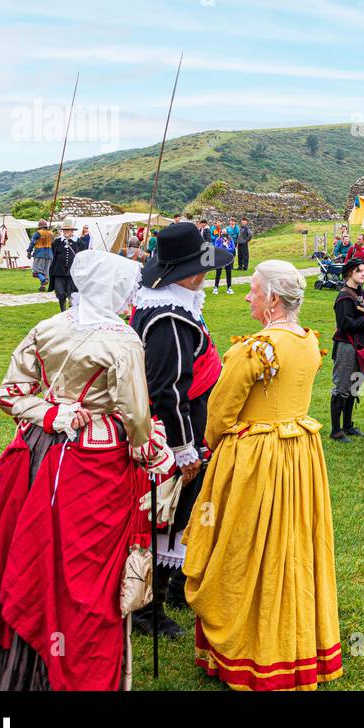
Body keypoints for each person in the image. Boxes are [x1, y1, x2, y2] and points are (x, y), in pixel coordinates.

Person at [0, 251, 169, 690]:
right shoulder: (122, 340)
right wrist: (149, 451)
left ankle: (16, 660)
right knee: (76, 567)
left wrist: (49, 413)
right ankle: (63, 660)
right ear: (115, 289)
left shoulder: (49, 326)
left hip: (35, 452)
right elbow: (136, 415)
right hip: (90, 463)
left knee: (29, 551)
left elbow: (9, 394)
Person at [183, 260, 342, 690]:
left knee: (244, 547)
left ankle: (249, 646)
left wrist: (214, 445)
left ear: (272, 299)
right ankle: (292, 644)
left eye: (253, 291)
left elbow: (219, 414)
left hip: (257, 459)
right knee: (291, 547)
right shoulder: (309, 342)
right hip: (300, 456)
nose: (249, 297)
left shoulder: (257, 349)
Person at [130, 222, 229, 638]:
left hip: (184, 424)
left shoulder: (172, 304)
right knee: (164, 515)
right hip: (171, 434)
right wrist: (184, 447)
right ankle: (146, 608)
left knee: (183, 511)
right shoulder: (168, 316)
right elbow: (168, 390)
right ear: (189, 271)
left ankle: (171, 585)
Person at [330, 257, 364, 441]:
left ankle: (348, 425)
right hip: (347, 347)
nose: (363, 273)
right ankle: (336, 430)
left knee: (355, 386)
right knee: (341, 386)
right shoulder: (344, 296)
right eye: (359, 270)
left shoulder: (362, 295)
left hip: (362, 346)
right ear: (350, 273)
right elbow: (344, 324)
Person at [49, 218, 83, 311]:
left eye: (68, 229)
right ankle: (63, 311)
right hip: (58, 272)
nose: (66, 231)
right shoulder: (57, 242)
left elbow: (83, 257)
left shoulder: (79, 242)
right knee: (60, 293)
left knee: (72, 293)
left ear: (72, 230)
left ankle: (72, 311)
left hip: (72, 273)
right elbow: (54, 255)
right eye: (64, 229)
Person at [27, 220, 54, 290]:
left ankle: (44, 280)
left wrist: (29, 251)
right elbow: (54, 245)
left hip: (39, 253)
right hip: (50, 255)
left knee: (36, 271)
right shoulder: (51, 234)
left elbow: (32, 242)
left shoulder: (38, 233)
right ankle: (43, 286)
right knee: (45, 272)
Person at [212, 229, 236, 294]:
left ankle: (229, 288)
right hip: (220, 258)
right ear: (221, 233)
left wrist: (227, 247)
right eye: (223, 232)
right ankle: (216, 287)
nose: (224, 234)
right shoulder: (218, 239)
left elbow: (232, 249)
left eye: (225, 233)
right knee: (218, 273)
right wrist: (223, 244)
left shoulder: (230, 239)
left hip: (228, 258)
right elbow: (217, 248)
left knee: (228, 273)